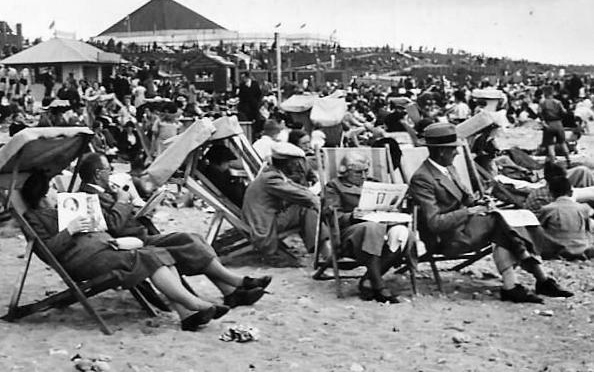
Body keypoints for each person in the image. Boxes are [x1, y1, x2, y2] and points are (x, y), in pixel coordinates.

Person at [19, 172, 230, 331]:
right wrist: (71, 229)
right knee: (147, 257)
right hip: (83, 260)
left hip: (106, 247)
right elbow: (47, 251)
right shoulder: (33, 218)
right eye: (54, 188)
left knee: (157, 252)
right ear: (44, 193)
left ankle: (186, 315)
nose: (58, 191)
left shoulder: (62, 208)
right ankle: (195, 303)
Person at [76, 153, 270, 308]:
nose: (111, 173)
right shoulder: (86, 197)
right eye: (108, 170)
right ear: (98, 173)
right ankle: (236, 283)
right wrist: (122, 201)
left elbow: (117, 217)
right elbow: (113, 226)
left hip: (139, 235)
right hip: (131, 243)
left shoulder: (103, 190)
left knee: (193, 239)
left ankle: (231, 292)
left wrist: (141, 210)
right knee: (188, 243)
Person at [409, 122, 572, 303]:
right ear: (442, 151)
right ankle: (536, 273)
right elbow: (434, 223)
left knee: (515, 218)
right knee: (500, 221)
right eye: (453, 149)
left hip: (465, 227)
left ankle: (517, 284)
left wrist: (480, 200)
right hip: (447, 238)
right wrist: (471, 211)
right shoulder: (422, 178)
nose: (457, 152)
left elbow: (466, 198)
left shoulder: (448, 168)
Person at [322, 153, 408, 303]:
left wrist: (393, 209)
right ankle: (379, 286)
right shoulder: (334, 186)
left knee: (403, 233)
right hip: (351, 233)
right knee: (371, 228)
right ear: (345, 171)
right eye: (358, 172)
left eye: (365, 171)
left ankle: (368, 280)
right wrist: (352, 215)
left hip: (382, 227)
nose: (363, 176)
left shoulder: (374, 183)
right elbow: (331, 216)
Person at [241, 142, 321, 256]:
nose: (298, 166)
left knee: (308, 205)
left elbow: (295, 188)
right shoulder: (270, 178)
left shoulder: (273, 174)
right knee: (307, 207)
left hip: (264, 221)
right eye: (295, 163)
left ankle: (318, 245)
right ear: (287, 163)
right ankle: (320, 247)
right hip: (264, 227)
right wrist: (317, 202)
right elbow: (301, 195)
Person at [535, 164, 594, 260]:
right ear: (571, 193)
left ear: (551, 194)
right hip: (582, 248)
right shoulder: (584, 208)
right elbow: (588, 230)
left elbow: (538, 230)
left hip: (558, 249)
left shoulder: (547, 209)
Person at [202, 143, 246, 208]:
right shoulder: (215, 175)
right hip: (232, 202)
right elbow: (230, 192)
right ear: (220, 162)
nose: (228, 165)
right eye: (227, 162)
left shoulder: (215, 172)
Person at [538, 87, 570, 165]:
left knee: (550, 145)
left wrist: (543, 121)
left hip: (548, 123)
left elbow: (539, 113)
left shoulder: (542, 102)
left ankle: (553, 162)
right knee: (562, 143)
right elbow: (564, 112)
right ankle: (568, 160)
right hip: (558, 123)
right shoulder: (558, 102)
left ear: (545, 93)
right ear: (552, 93)